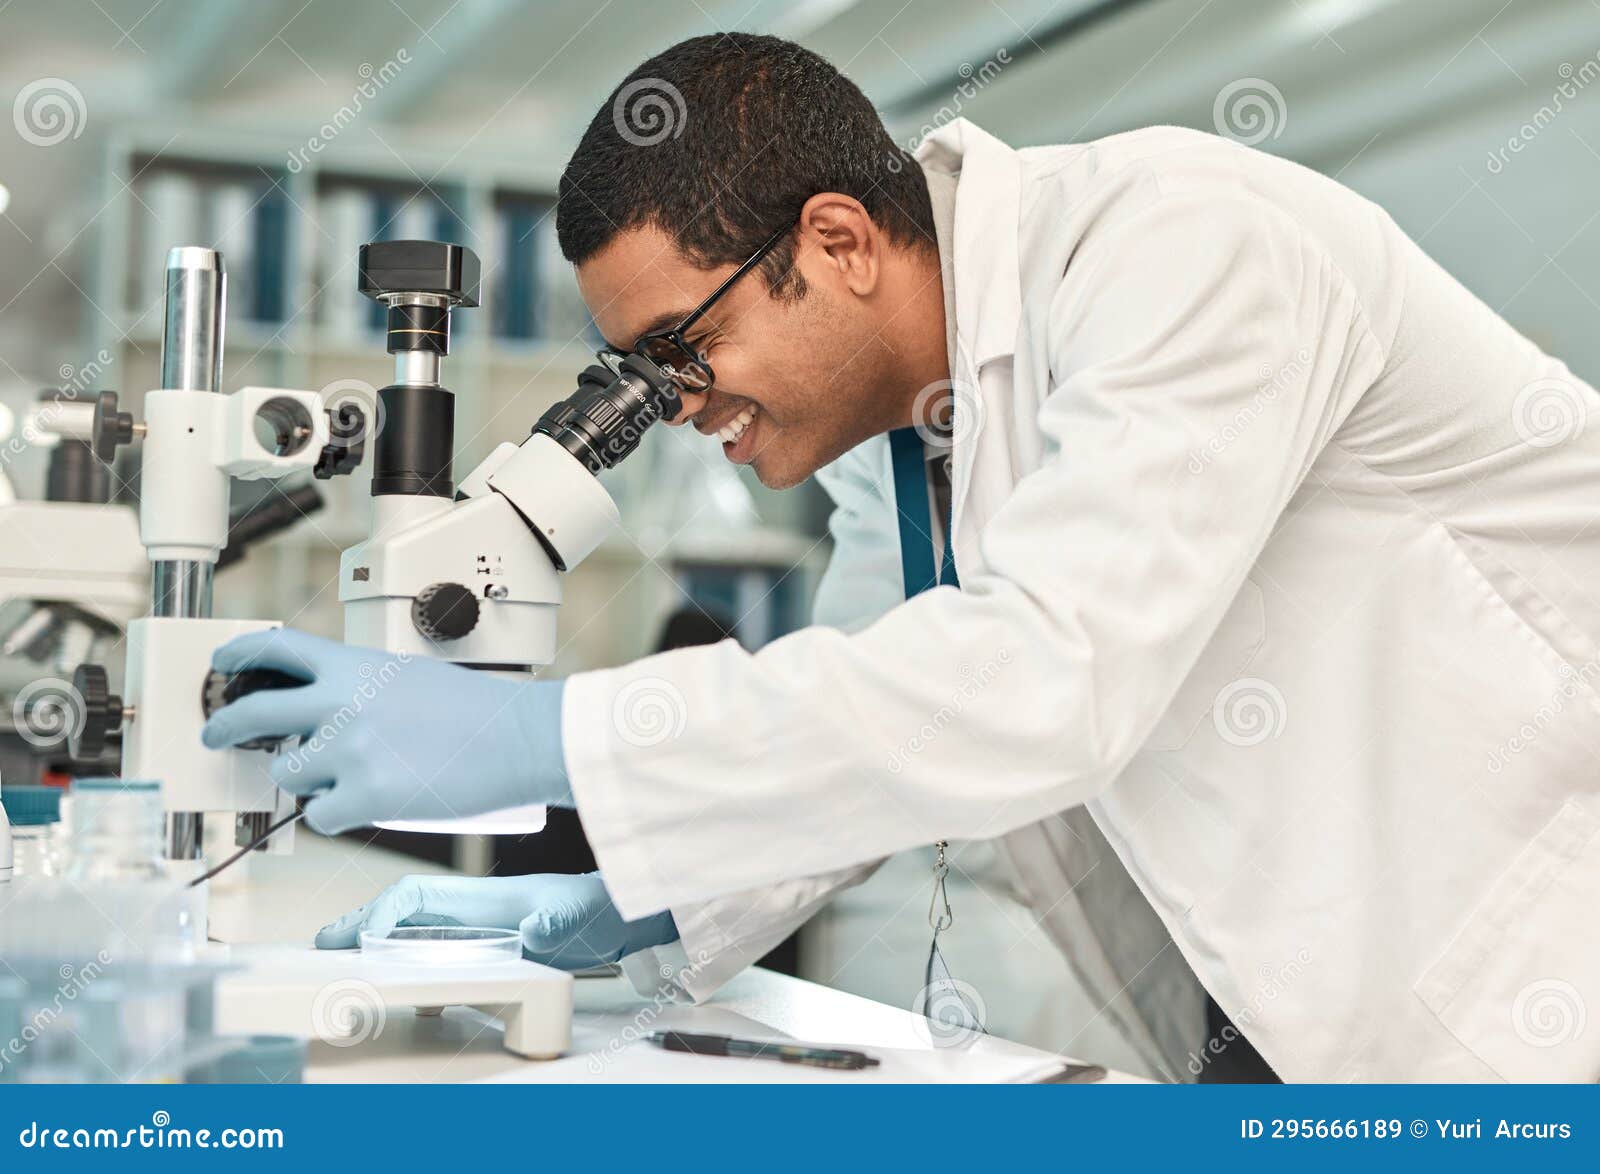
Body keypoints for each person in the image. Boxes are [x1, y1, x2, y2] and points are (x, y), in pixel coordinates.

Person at [202, 34, 1600, 1083]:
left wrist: (551, 730)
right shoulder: (904, 446)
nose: (679, 406)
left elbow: (1046, 678)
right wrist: (643, 898)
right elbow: (873, 722)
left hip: (1524, 988)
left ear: (837, 238)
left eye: (682, 351)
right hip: (1274, 1018)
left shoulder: (1186, 244)